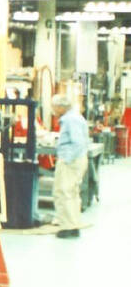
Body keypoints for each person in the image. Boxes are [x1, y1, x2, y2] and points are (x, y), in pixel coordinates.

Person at [50, 94, 90, 239]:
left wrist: (66, 159)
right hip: (77, 159)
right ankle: (73, 224)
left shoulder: (69, 119)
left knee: (63, 192)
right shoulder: (75, 117)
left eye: (54, 107)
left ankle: (67, 226)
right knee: (72, 193)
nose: (53, 110)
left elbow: (78, 142)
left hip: (71, 161)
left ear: (61, 107)